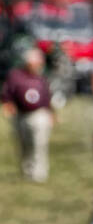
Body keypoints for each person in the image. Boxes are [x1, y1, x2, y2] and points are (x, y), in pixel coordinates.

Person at [1, 46, 54, 182]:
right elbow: (7, 93)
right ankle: (27, 170)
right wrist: (8, 105)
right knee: (25, 144)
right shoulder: (16, 75)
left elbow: (47, 96)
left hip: (39, 114)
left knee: (39, 143)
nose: (38, 65)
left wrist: (51, 113)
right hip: (22, 114)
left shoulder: (42, 77)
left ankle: (39, 173)